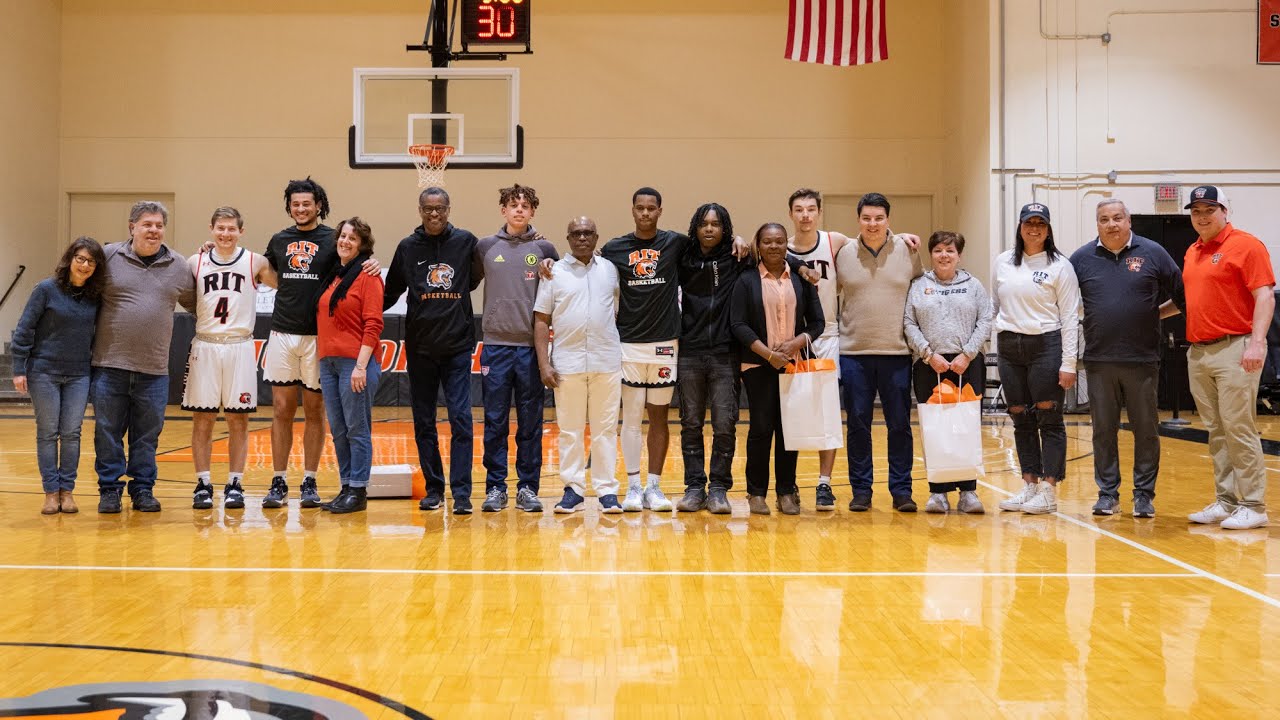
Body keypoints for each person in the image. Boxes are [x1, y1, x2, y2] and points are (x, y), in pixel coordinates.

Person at [1069, 199, 1183, 519]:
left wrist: (1156, 314)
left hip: (1142, 359)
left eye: (1118, 218)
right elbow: (1060, 300)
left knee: (1145, 430)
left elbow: (1182, 293)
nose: (1112, 224)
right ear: (1097, 225)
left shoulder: (1153, 252)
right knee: (1103, 431)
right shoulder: (1081, 258)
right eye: (1104, 219)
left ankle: (1144, 495)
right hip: (1099, 360)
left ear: (1129, 220)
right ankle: (1108, 495)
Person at [93, 201, 197, 513]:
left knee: (147, 437)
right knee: (107, 433)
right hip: (109, 367)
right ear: (132, 227)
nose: (153, 230)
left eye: (158, 225)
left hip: (154, 370)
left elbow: (195, 303)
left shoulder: (179, 265)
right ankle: (109, 490)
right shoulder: (108, 256)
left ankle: (142, 489)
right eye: (146, 224)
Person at [384, 186, 482, 515]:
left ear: (449, 209)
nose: (434, 214)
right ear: (420, 210)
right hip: (421, 348)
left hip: (456, 347)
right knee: (424, 422)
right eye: (428, 209)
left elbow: (480, 275)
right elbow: (389, 291)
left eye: (440, 208)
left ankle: (463, 493)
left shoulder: (467, 242)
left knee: (461, 420)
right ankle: (434, 488)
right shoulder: (407, 247)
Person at [1181, 186, 1274, 530]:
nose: (1202, 217)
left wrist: (1257, 343)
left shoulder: (1246, 245)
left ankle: (1254, 504)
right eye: (1196, 212)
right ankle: (1227, 500)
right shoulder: (1193, 251)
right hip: (1199, 351)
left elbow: (1264, 296)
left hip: (1236, 347)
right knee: (1217, 430)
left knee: (1238, 426)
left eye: (1209, 210)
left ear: (1224, 211)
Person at [836, 192, 924, 512]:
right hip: (853, 353)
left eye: (879, 218)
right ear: (857, 219)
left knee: (899, 424)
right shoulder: (842, 252)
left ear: (889, 219)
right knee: (858, 424)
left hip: (897, 353)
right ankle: (861, 490)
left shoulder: (908, 249)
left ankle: (902, 491)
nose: (872, 224)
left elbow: (920, 296)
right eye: (866, 218)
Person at [991, 203, 1081, 515]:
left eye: (1040, 223)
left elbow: (1070, 317)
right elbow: (995, 305)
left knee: (1049, 418)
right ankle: (1028, 484)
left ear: (1048, 228)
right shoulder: (1003, 261)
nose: (1034, 228)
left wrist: (1069, 362)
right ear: (1019, 227)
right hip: (1009, 347)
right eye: (1028, 223)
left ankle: (1048, 488)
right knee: (1020, 417)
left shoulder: (1060, 265)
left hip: (1046, 344)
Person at [730, 223, 825, 515]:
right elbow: (738, 324)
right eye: (768, 242)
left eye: (779, 241)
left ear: (787, 245)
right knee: (761, 427)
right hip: (758, 364)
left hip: (793, 365)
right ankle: (756, 493)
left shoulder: (802, 280)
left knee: (788, 429)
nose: (774, 246)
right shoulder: (746, 279)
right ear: (759, 245)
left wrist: (797, 343)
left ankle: (786, 491)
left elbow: (817, 323)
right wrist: (768, 354)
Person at [185, 207, 277, 511]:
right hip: (206, 346)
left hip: (239, 346)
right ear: (211, 228)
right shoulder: (194, 262)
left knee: (239, 420)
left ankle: (236, 482)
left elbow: (287, 283)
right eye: (220, 228)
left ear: (241, 231)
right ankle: (203, 483)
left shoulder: (255, 262)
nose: (225, 234)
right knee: (203, 420)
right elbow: (185, 297)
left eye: (231, 229)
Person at [475, 184, 558, 513]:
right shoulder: (485, 247)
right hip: (495, 347)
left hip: (528, 350)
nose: (519, 210)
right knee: (495, 421)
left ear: (533, 211)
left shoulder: (545, 248)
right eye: (513, 205)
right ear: (503, 210)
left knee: (530, 422)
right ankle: (495, 487)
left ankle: (527, 487)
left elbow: (556, 288)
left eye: (525, 205)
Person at [532, 217, 623, 514]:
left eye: (587, 233)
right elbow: (541, 320)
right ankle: (573, 490)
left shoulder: (610, 270)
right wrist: (544, 364)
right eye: (576, 233)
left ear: (596, 237)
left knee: (605, 430)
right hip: (567, 364)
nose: (582, 238)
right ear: (568, 238)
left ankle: (607, 491)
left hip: (606, 361)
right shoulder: (553, 272)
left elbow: (616, 311)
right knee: (570, 430)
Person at [11, 237, 106, 515]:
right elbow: (25, 328)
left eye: (91, 261)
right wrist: (19, 367)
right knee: (48, 433)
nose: (85, 265)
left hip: (79, 373)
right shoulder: (46, 289)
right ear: (70, 259)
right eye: (81, 258)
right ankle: (51, 492)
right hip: (44, 372)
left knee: (72, 434)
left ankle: (68, 491)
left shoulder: (95, 296)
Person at [903, 231, 994, 514]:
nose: (944, 255)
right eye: (939, 250)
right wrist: (929, 355)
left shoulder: (974, 286)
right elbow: (908, 322)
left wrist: (967, 354)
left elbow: (986, 319)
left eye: (950, 251)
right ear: (931, 254)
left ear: (959, 255)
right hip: (930, 366)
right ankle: (938, 492)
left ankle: (968, 492)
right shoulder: (919, 285)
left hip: (967, 365)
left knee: (966, 427)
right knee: (936, 429)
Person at [315, 217, 385, 514]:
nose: (345, 241)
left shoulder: (368, 276)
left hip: (355, 364)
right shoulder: (335, 274)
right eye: (343, 236)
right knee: (339, 430)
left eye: (352, 239)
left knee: (358, 429)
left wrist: (360, 366)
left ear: (362, 246)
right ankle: (346, 486)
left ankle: (358, 490)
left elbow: (374, 324)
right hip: (328, 362)